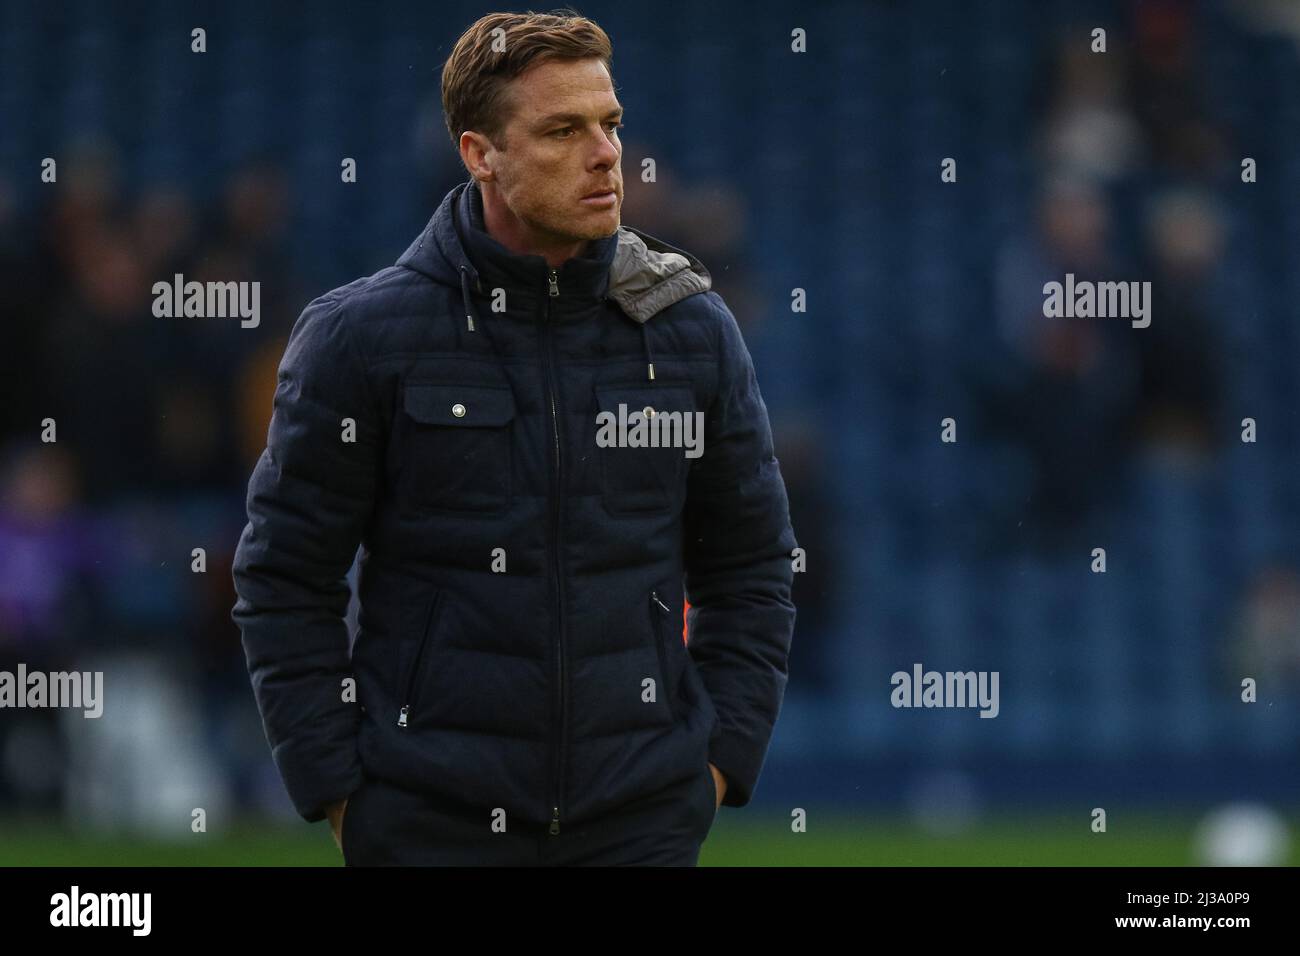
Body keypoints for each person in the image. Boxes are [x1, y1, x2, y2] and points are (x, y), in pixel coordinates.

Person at [231, 9, 797, 866]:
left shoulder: (692, 332)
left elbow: (752, 570)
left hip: (640, 826)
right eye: (563, 131)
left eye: (609, 124)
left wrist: (711, 772)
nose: (608, 155)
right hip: (428, 827)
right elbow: (283, 579)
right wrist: (342, 796)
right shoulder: (361, 337)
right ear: (479, 153)